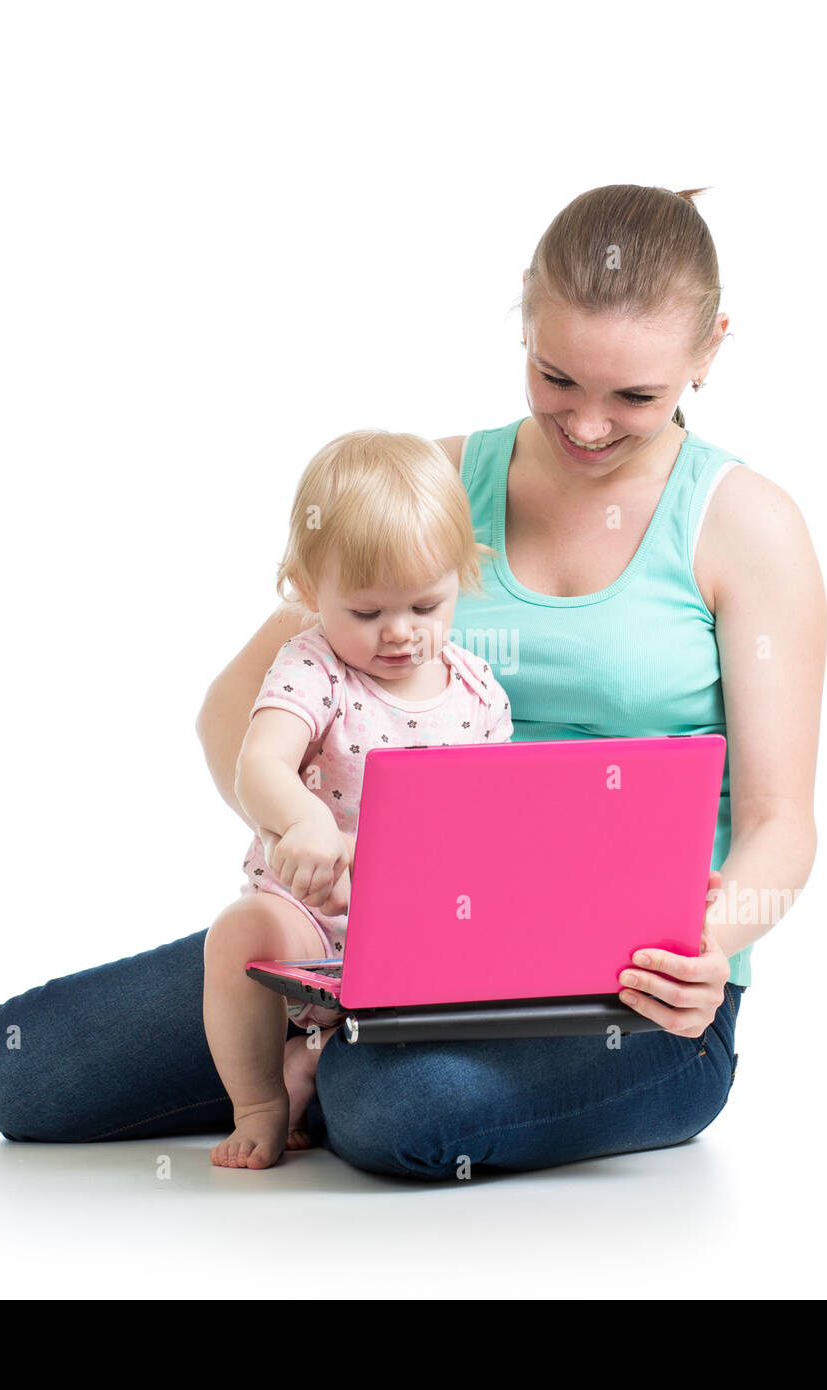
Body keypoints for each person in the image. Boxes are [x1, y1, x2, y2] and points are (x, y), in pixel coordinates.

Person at [0, 182, 826, 1180]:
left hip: (628, 994)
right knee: (18, 1070)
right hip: (377, 949)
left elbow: (781, 821)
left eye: (634, 396)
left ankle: (328, 1072)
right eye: (556, 377)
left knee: (394, 1103)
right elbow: (231, 716)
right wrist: (308, 838)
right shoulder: (430, 487)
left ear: (709, 350)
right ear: (525, 325)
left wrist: (706, 947)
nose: (585, 426)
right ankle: (314, 1057)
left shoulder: (747, 524)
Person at [204, 429, 512, 1169]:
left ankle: (314, 1061)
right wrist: (304, 821)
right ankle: (259, 1102)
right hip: (313, 915)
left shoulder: (479, 693)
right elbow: (260, 763)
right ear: (311, 594)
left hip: (418, 930)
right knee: (239, 934)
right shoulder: (314, 666)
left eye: (426, 604)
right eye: (367, 613)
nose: (401, 633)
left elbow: (495, 824)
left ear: (460, 578)